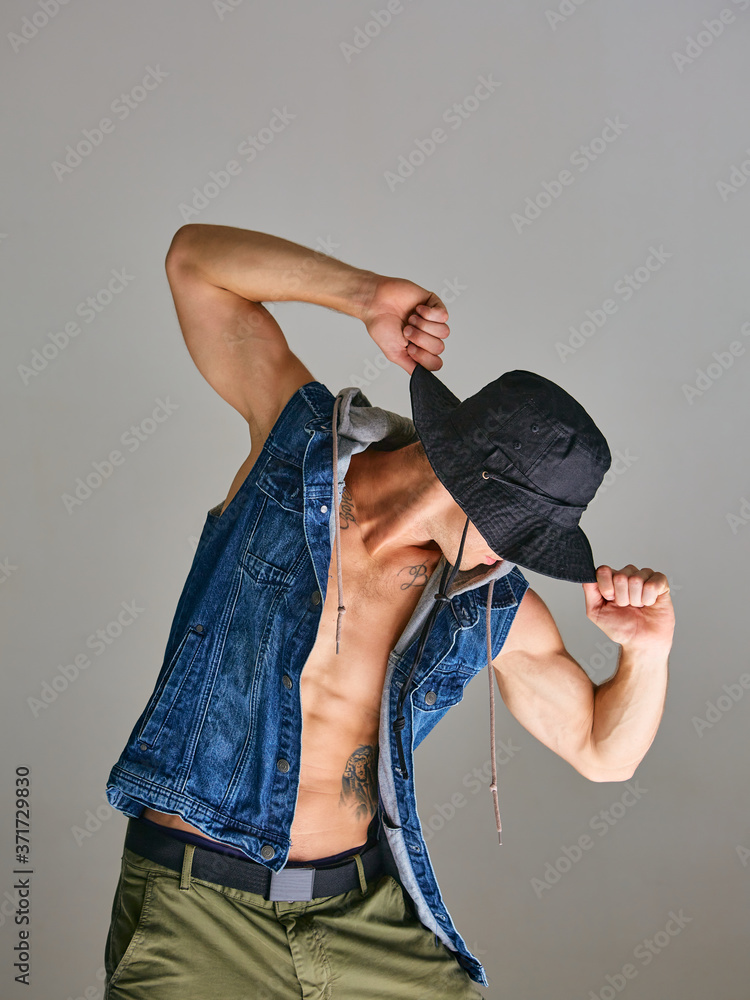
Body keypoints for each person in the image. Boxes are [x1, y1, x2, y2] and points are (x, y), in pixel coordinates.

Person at [102, 224, 675, 998]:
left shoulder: (487, 603)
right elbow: (194, 265)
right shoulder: (293, 448)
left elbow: (607, 755)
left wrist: (647, 651)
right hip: (197, 911)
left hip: (361, 911)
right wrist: (365, 295)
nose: (510, 561)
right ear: (464, 478)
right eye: (514, 535)